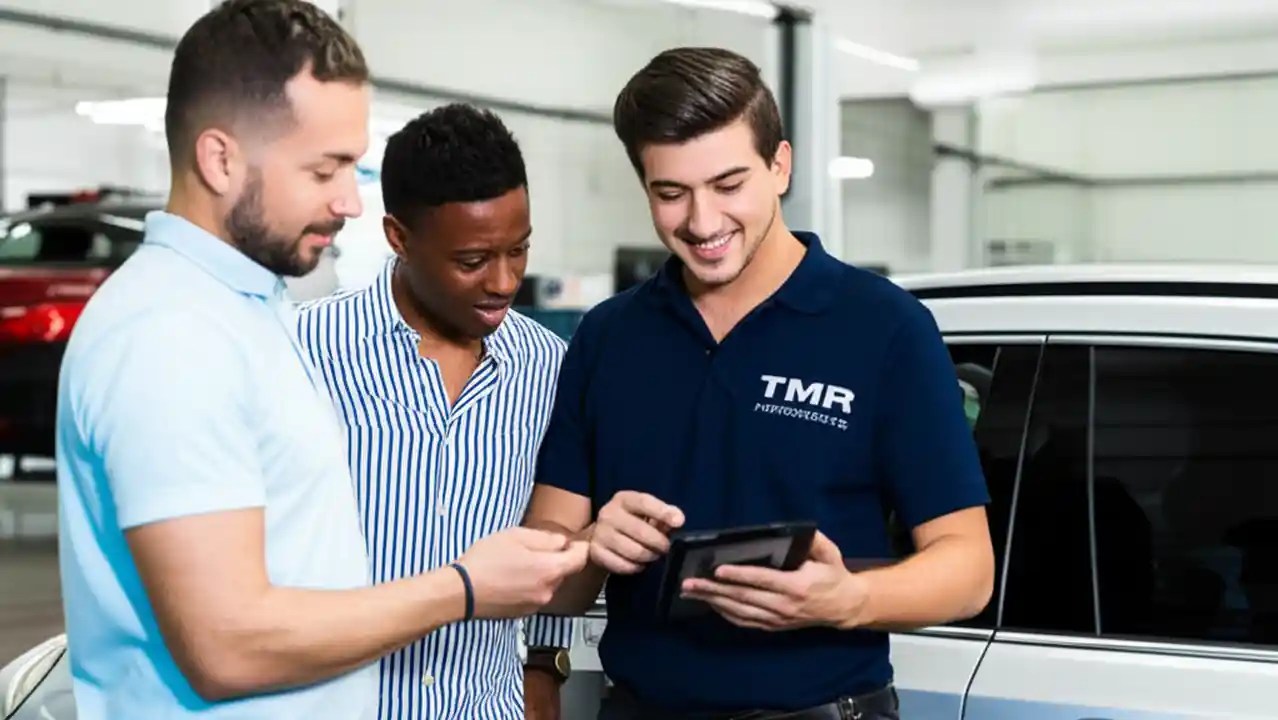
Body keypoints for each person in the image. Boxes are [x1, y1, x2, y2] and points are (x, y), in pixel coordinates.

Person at [54, 3, 586, 719]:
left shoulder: (250, 315)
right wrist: (462, 587)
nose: (347, 202)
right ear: (221, 159)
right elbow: (224, 646)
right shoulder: (173, 335)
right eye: (325, 169)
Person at [525, 47, 995, 719]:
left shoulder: (884, 328)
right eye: (670, 193)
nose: (703, 221)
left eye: (728, 184)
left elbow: (968, 570)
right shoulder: (608, 337)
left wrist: (849, 600)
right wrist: (591, 544)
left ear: (780, 165)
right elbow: (554, 578)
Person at [294, 103, 576, 720]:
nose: (504, 282)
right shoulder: (299, 355)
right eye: (472, 261)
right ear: (399, 237)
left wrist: (544, 666)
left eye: (519, 251)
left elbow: (551, 531)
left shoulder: (549, 369)